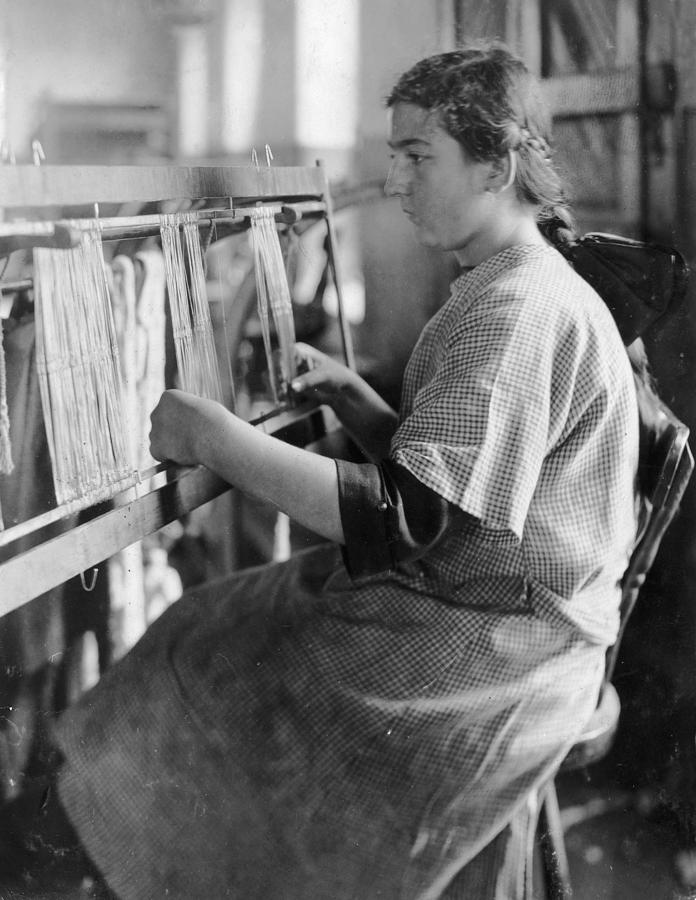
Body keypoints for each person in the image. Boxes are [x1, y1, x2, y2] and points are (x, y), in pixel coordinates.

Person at [4, 41, 640, 899]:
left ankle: (88, 852)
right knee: (216, 625)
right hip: (501, 613)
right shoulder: (520, 283)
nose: (397, 180)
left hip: (498, 657)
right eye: (395, 156)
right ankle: (100, 839)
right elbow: (471, 486)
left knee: (203, 654)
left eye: (418, 156)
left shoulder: (516, 308)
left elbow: (403, 519)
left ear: (496, 166)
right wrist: (354, 400)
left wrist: (215, 437)